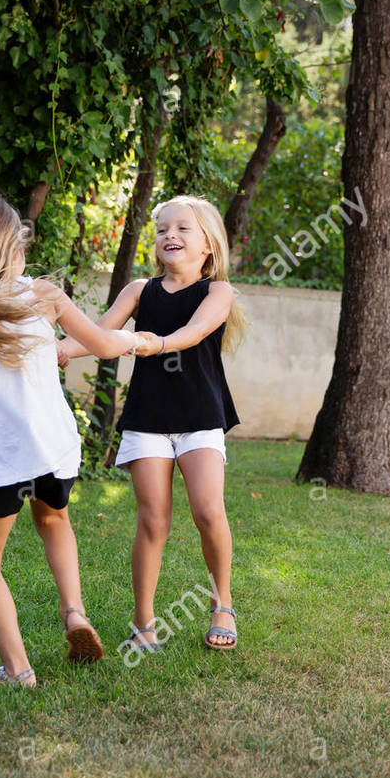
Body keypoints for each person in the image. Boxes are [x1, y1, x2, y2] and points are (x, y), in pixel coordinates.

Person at [0, 192, 157, 687]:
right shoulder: (44, 295)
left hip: (3, 455)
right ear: (9, 248)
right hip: (55, 447)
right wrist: (137, 341)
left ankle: (18, 670)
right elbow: (103, 345)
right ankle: (73, 610)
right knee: (54, 520)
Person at [57, 195, 245, 654]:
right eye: (162, 230)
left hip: (200, 417)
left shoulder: (218, 292)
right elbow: (100, 335)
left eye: (182, 228)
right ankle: (143, 622)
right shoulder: (140, 290)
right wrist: (58, 349)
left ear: (208, 244)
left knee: (208, 511)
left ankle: (222, 604)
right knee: (152, 521)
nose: (169, 236)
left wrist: (151, 344)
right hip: (147, 419)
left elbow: (193, 333)